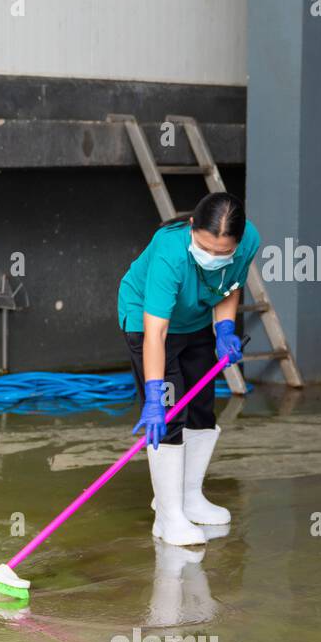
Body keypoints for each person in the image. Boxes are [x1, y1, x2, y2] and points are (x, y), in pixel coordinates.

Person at [117, 192, 253, 546]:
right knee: (170, 412)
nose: (213, 257)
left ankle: (189, 497)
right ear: (192, 227)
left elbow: (231, 285)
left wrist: (224, 329)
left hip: (194, 321)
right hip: (148, 322)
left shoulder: (248, 240)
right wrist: (153, 397)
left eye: (223, 252)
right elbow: (156, 332)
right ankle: (167, 515)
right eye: (205, 248)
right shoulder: (170, 253)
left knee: (202, 409)